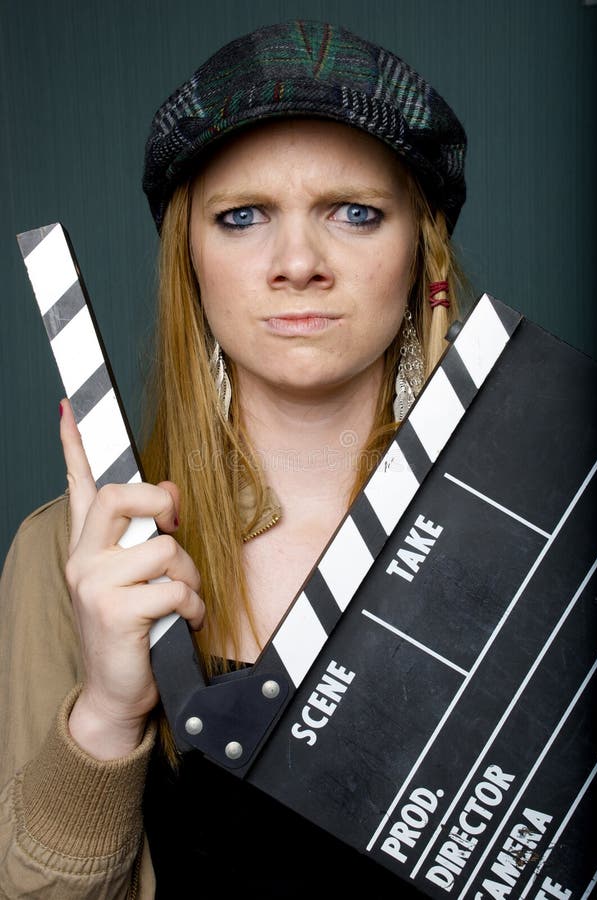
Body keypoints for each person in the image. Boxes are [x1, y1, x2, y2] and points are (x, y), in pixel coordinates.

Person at [0, 20, 467, 899]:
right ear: (192, 259)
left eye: (355, 212)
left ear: (420, 255)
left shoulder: (547, 523)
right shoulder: (69, 560)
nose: (297, 263)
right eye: (242, 216)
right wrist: (104, 712)